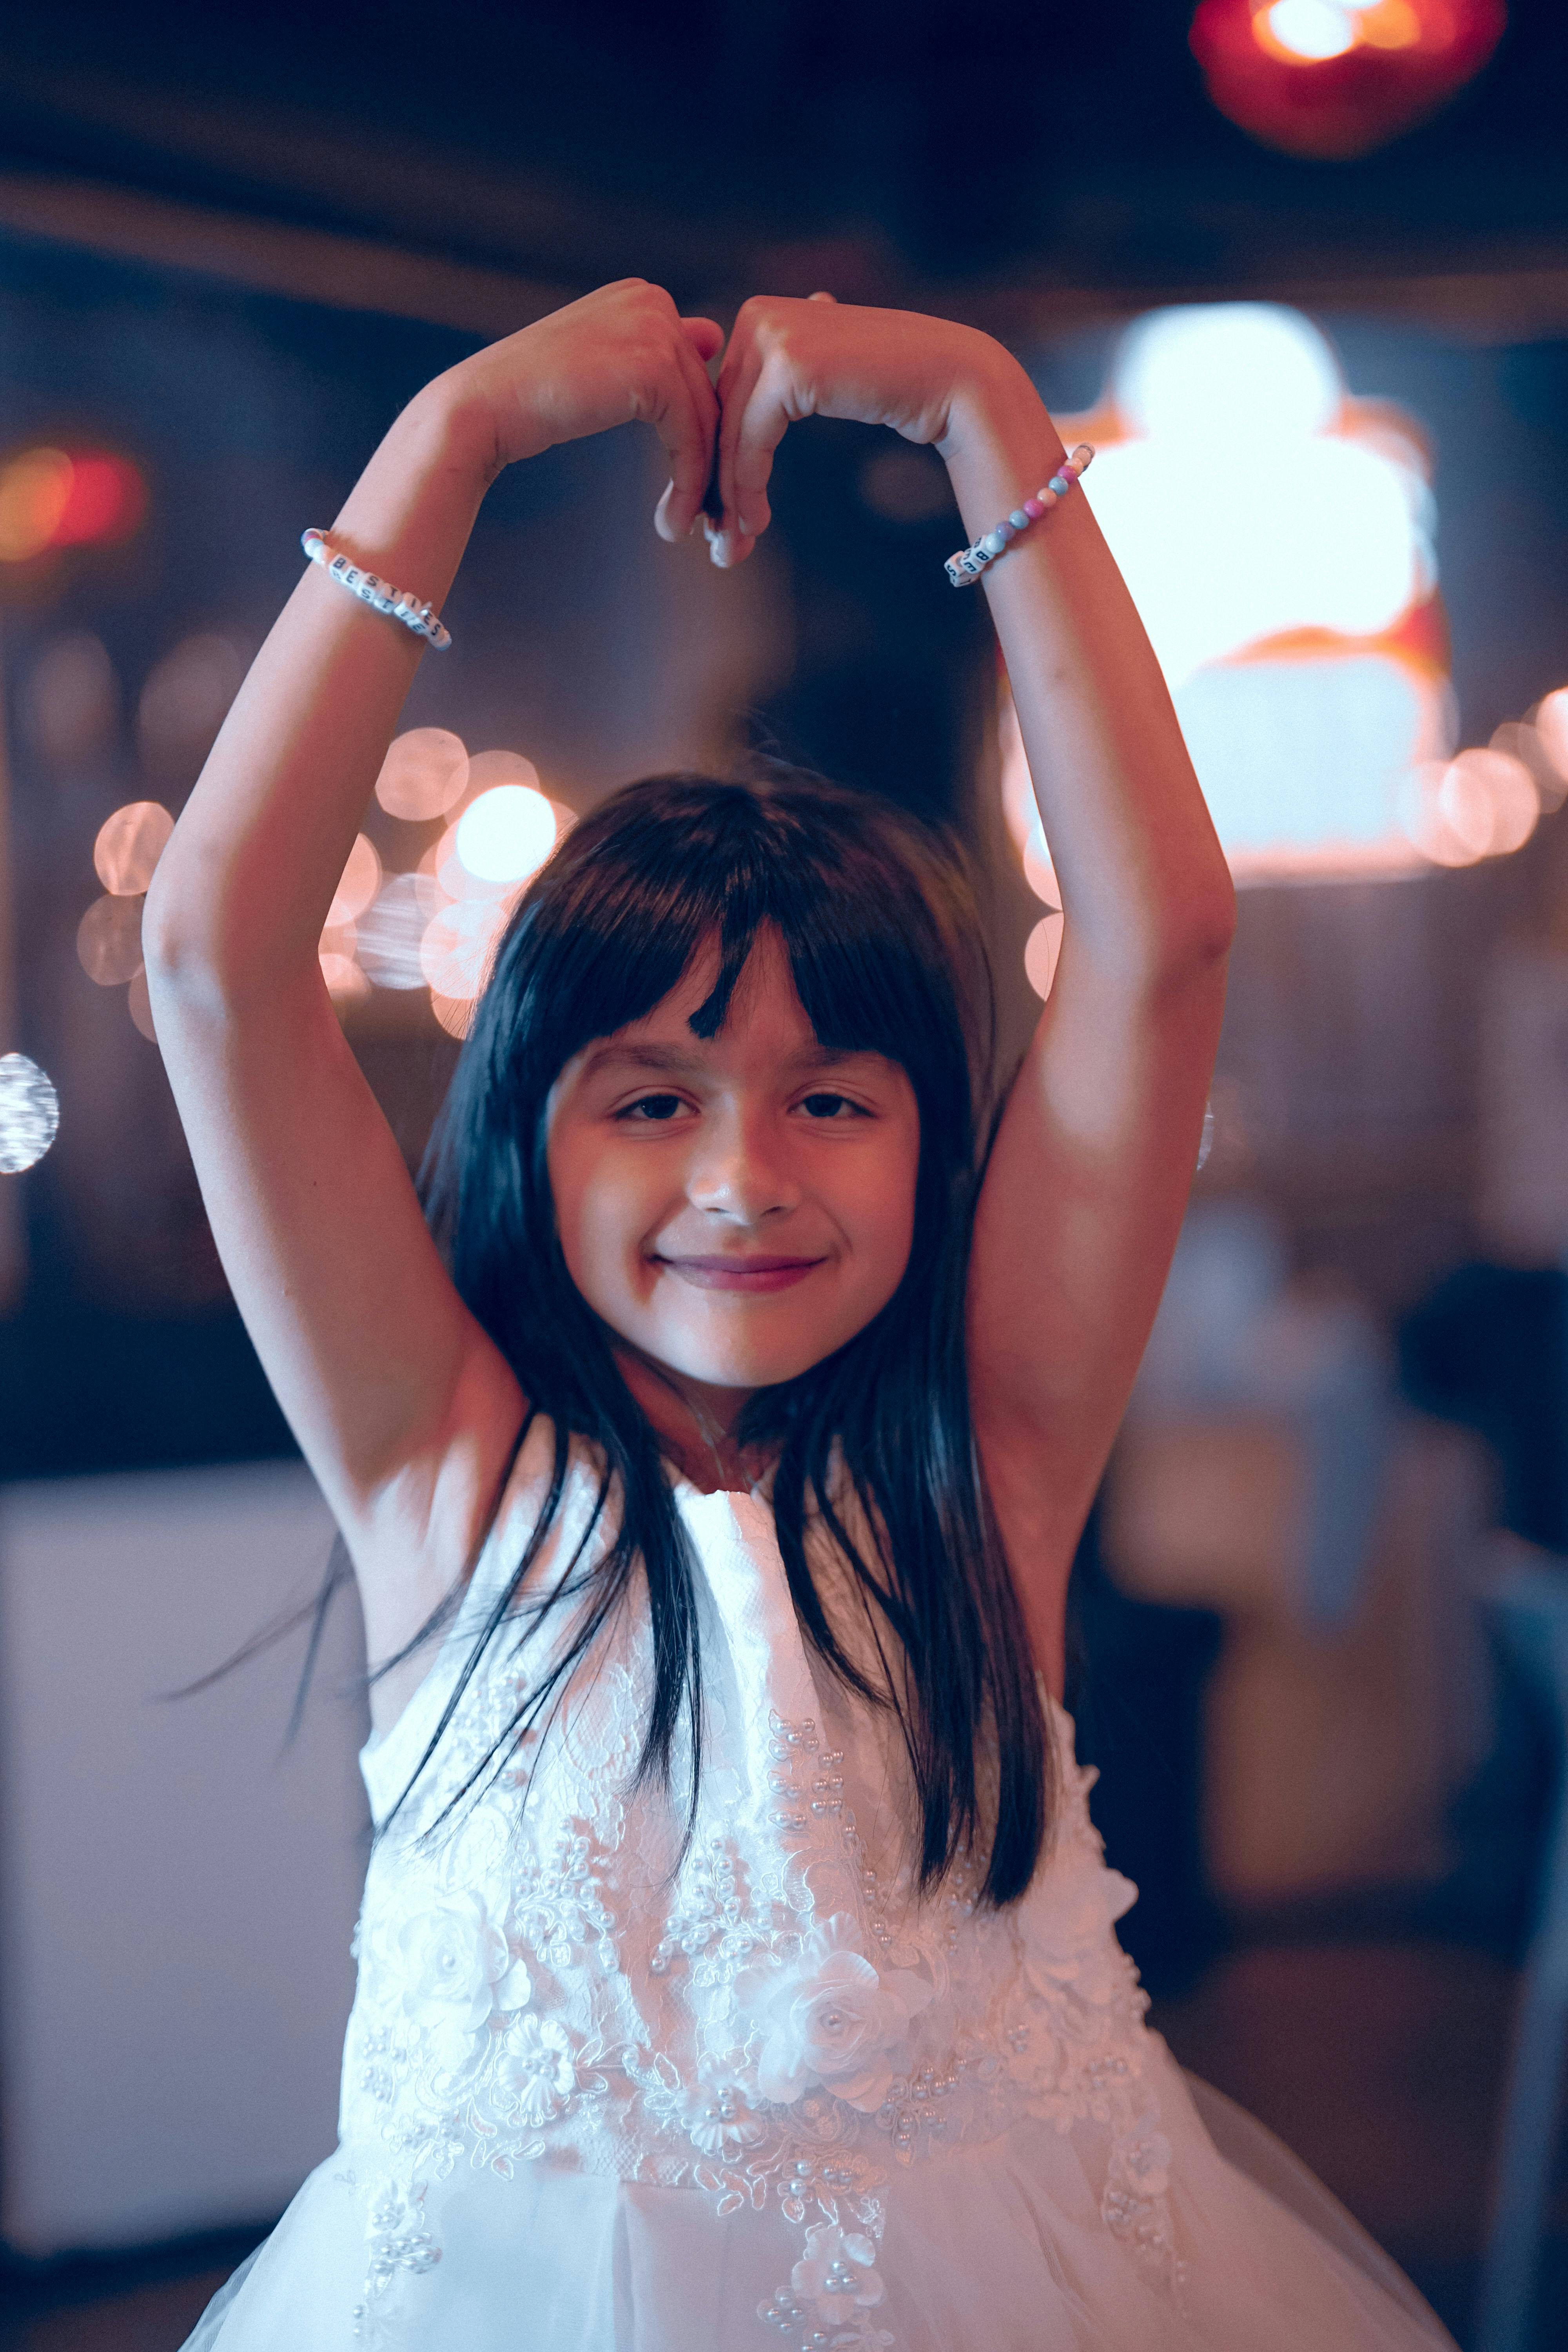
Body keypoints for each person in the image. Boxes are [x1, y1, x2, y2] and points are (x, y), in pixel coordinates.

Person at [146, 282, 1453, 2350]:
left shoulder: (990, 1461)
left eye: (831, 1100)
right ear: (532, 1143)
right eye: (655, 1101)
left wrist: (982, 413)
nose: (745, 1177)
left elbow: (1165, 933)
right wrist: (459, 434)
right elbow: (216, 956)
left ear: (938, 1153)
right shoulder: (448, 1471)